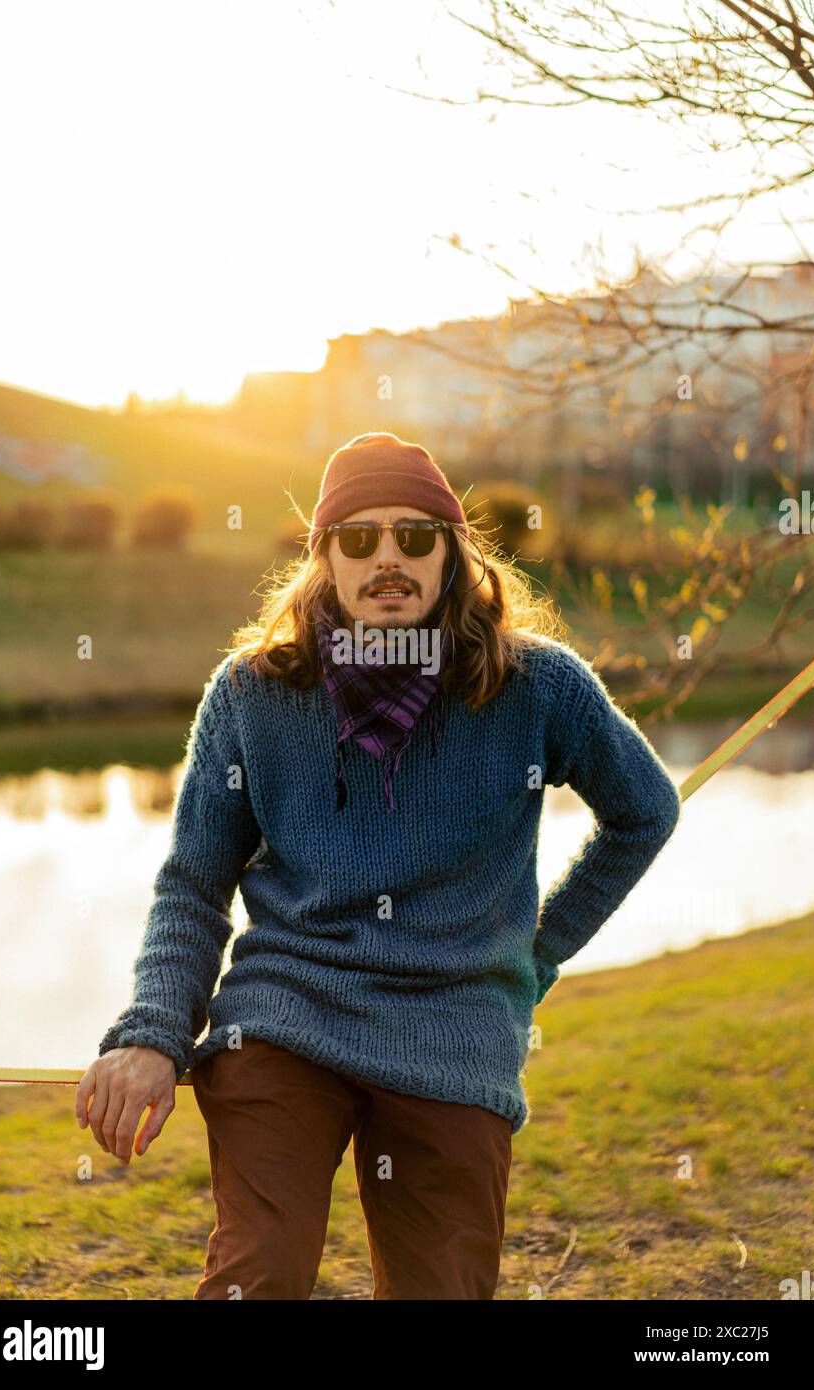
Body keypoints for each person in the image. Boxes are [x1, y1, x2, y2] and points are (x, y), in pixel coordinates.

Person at [76, 431, 681, 1300]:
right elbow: (195, 884)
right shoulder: (252, 692)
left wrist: (536, 953)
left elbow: (644, 813)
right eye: (358, 538)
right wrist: (150, 1033)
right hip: (283, 1019)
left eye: (414, 535)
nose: (387, 558)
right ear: (324, 557)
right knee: (261, 1275)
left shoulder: (539, 686)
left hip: (455, 1031)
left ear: (451, 550)